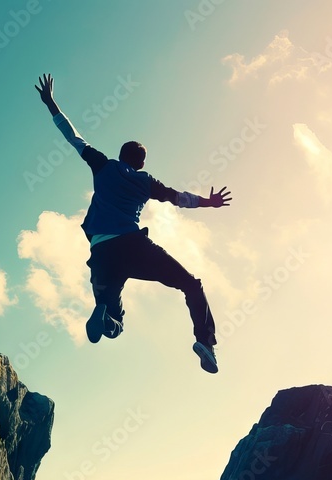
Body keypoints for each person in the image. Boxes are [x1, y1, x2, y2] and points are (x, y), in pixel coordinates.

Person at [34, 74, 232, 373]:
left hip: (101, 254)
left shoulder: (103, 165)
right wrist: (209, 202)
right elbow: (180, 198)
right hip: (133, 246)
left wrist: (51, 103)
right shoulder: (145, 181)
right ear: (141, 163)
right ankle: (205, 343)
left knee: (114, 319)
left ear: (120, 156)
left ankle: (106, 314)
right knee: (191, 285)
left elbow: (73, 137)